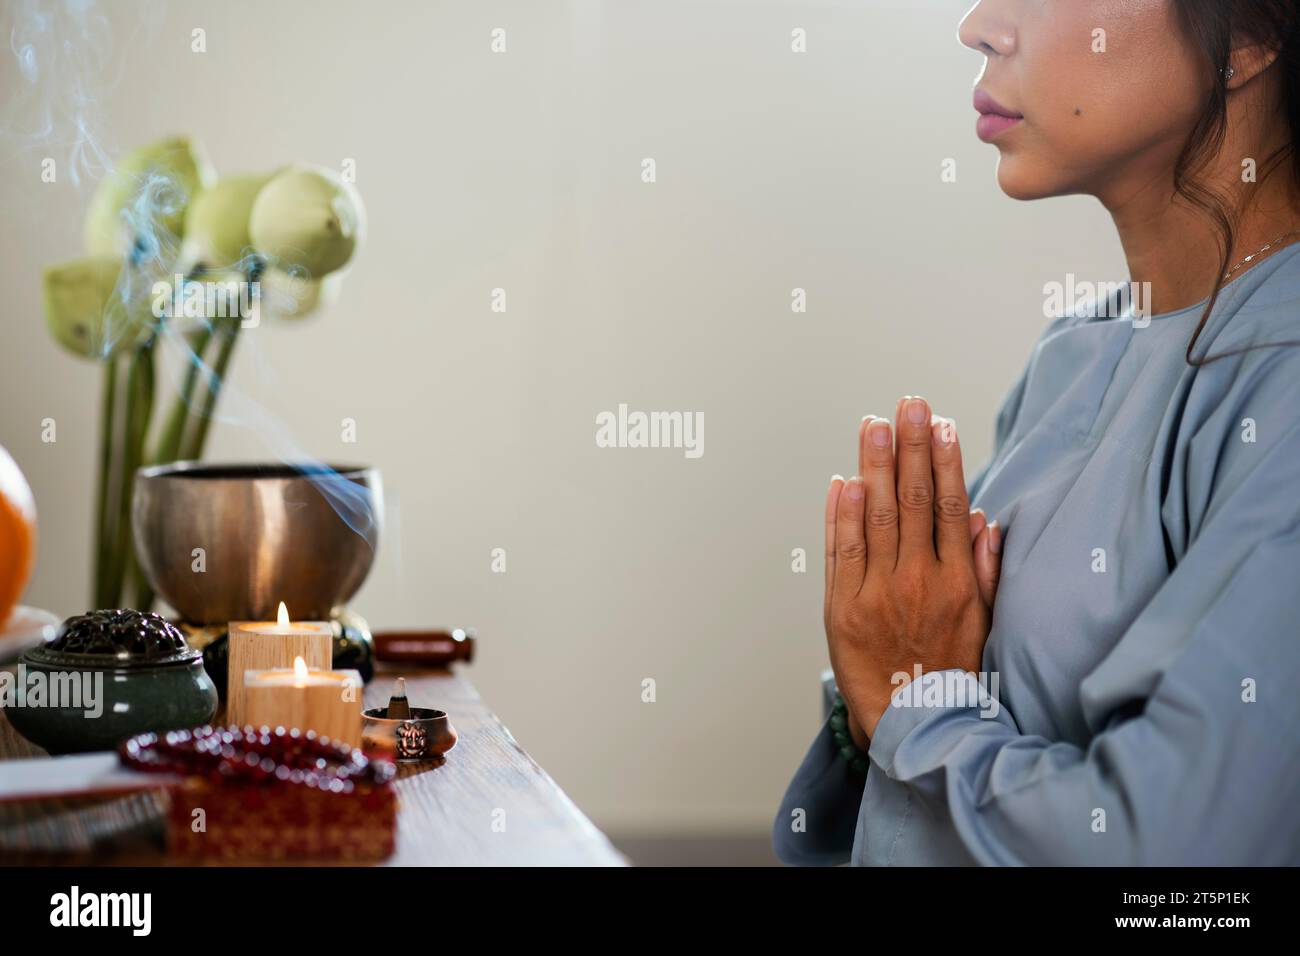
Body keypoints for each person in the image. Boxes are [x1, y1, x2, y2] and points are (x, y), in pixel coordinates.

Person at [775, 0, 1300, 865]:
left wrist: (914, 705)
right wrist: (882, 687)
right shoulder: (1075, 354)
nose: (978, 25)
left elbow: (1186, 875)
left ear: (1250, 34)